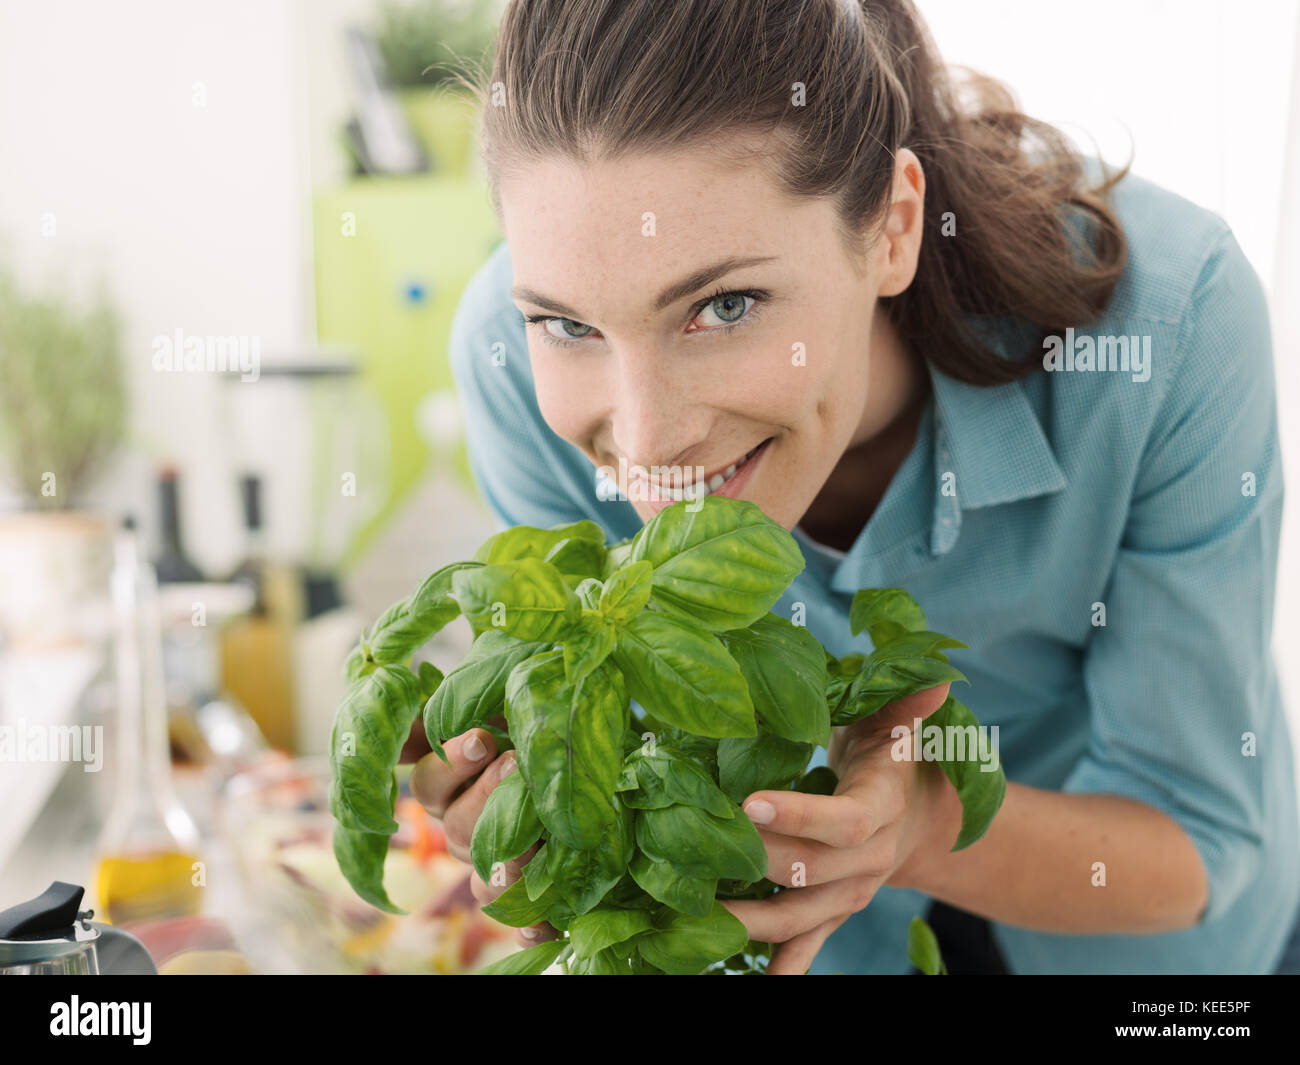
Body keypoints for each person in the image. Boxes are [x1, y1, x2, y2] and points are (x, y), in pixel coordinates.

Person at [407, 0, 1300, 975]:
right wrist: (541, 798)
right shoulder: (503, 362)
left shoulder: (1165, 327)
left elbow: (1193, 831)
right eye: (569, 327)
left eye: (725, 306)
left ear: (892, 226)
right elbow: (625, 755)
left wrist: (915, 830)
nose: (645, 439)